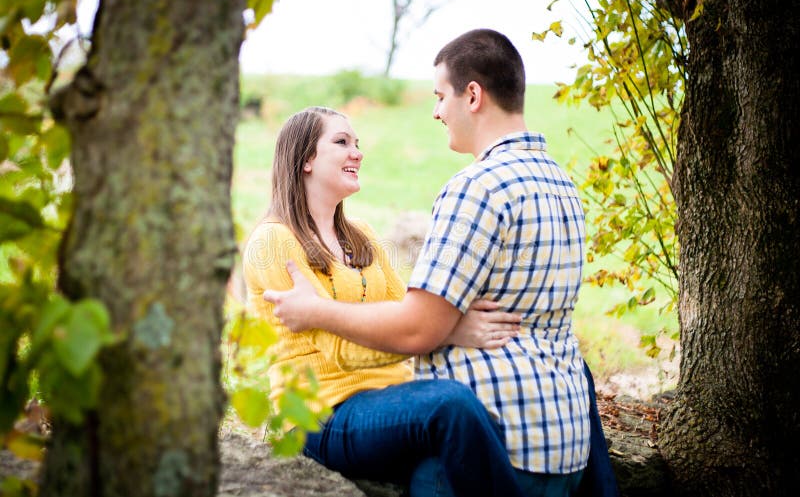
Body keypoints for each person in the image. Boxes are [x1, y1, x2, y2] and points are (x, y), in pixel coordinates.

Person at [264, 29, 619, 497]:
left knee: (447, 412)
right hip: (562, 440)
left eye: (439, 96)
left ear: (472, 95)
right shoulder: (563, 187)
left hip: (496, 444)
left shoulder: (477, 188)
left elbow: (414, 327)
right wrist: (446, 326)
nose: (435, 111)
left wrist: (319, 312)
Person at [242, 105, 528, 497]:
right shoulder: (273, 242)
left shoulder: (363, 234)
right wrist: (447, 331)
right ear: (306, 159)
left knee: (467, 435)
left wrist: (428, 327)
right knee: (453, 406)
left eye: (357, 143)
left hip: (387, 400)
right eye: (342, 142)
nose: (357, 152)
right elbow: (340, 349)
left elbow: (406, 312)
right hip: (321, 413)